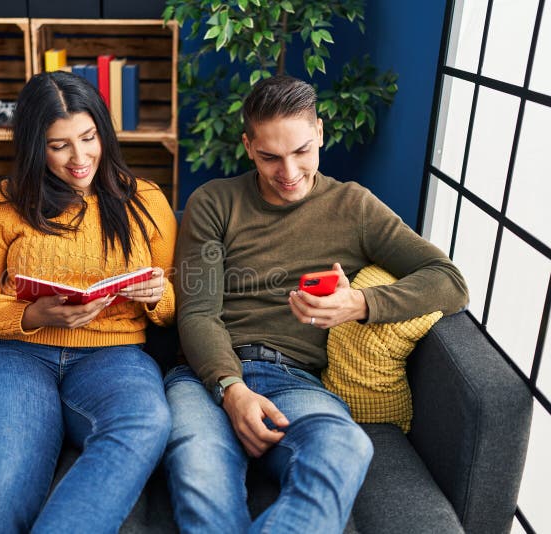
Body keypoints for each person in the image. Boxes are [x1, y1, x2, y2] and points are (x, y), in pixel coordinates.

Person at [164, 75, 469, 533]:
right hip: (207, 379)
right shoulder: (214, 202)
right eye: (270, 157)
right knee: (201, 473)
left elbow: (449, 280)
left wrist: (360, 303)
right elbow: (198, 312)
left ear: (320, 133)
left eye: (301, 151)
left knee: (346, 447)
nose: (288, 172)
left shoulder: (354, 207)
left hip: (296, 381)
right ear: (248, 146)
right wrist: (232, 389)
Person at [0, 71, 177, 533]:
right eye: (59, 146)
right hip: (12, 356)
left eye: (89, 138)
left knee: (146, 422)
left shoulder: (146, 200)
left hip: (113, 356)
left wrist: (158, 294)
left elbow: (176, 302)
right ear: (36, 147)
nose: (80, 158)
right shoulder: (4, 202)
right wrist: (33, 313)